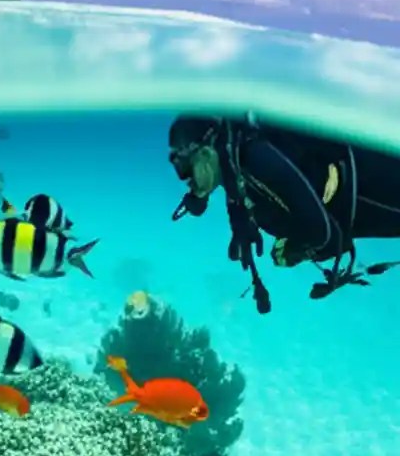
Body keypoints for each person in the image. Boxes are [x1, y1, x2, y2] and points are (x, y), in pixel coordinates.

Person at [167, 113, 400, 314]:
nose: (185, 179)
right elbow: (234, 195)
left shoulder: (256, 157)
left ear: (206, 153)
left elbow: (322, 233)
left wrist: (293, 250)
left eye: (185, 168)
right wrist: (240, 226)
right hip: (351, 203)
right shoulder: (233, 165)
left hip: (367, 189)